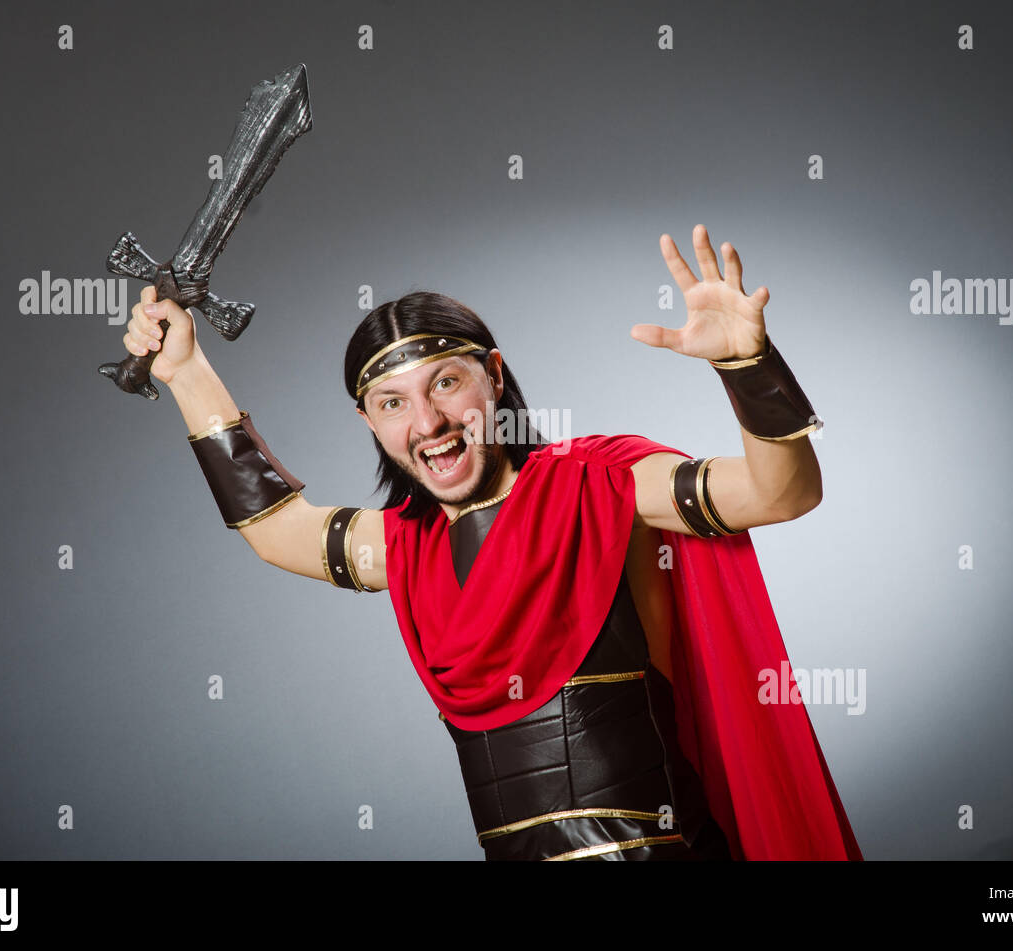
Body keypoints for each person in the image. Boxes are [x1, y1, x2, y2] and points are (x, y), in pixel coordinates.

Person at [121, 224, 863, 861]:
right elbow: (278, 527)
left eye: (446, 383)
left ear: (494, 376)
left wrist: (749, 367)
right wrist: (186, 371)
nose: (428, 421)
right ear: (371, 423)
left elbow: (781, 492)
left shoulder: (605, 486)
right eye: (393, 402)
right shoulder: (405, 550)